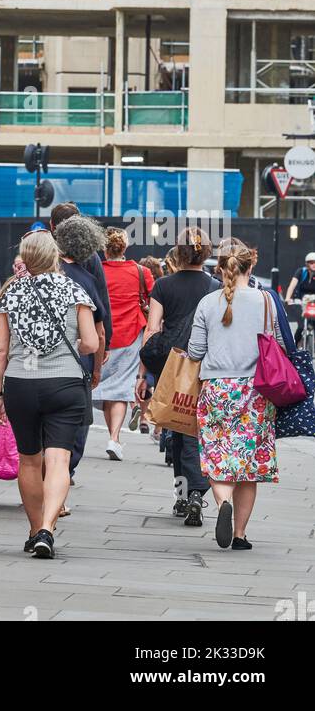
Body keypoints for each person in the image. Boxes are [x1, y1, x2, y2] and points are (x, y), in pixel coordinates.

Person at [0, 231, 98, 560]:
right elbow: (92, 343)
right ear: (53, 256)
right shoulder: (74, 290)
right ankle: (49, 529)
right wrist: (75, 347)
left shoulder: (10, 294)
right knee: (58, 460)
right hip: (64, 384)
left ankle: (35, 528)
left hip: (21, 383)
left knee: (28, 459)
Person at [188, 239, 286, 550]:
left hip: (216, 389)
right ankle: (240, 535)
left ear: (218, 268)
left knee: (218, 456)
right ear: (251, 265)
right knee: (249, 463)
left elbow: (194, 351)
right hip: (256, 391)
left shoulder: (207, 303)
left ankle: (222, 504)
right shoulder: (266, 301)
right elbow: (281, 345)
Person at [136, 228, 219, 527]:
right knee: (196, 428)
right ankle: (197, 491)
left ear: (178, 253)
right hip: (205, 365)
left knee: (176, 424)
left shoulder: (163, 285)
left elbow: (152, 329)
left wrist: (143, 373)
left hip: (171, 365)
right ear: (205, 253)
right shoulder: (216, 287)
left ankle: (185, 494)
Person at [54, 215, 111, 487]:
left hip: (36, 365)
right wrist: (97, 367)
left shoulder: (43, 273)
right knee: (77, 422)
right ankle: (66, 471)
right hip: (78, 365)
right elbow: (98, 332)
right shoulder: (87, 280)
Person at [91, 229, 154, 461]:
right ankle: (115, 438)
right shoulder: (141, 272)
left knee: (107, 390)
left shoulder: (96, 273)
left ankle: (113, 436)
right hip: (130, 335)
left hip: (101, 336)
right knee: (119, 389)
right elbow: (154, 300)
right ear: (124, 248)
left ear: (104, 248)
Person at [285, 250, 315, 342]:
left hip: (313, 302)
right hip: (300, 301)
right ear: (307, 264)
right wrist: (287, 298)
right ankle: (293, 349)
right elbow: (292, 285)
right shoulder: (301, 272)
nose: (314, 264)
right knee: (301, 326)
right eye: (311, 262)